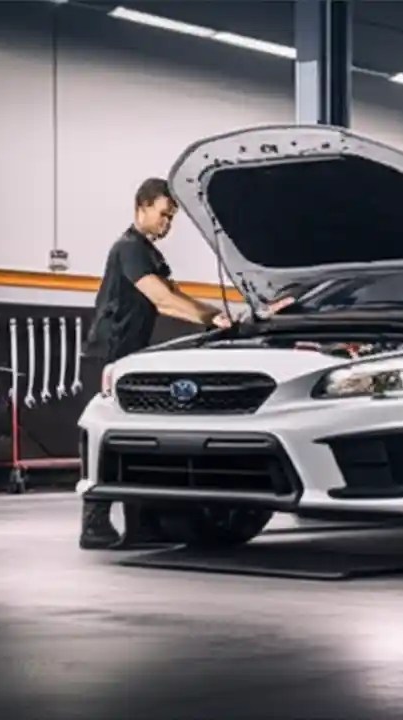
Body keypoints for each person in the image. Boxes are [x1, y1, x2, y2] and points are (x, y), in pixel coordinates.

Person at [78, 177, 230, 550]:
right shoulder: (128, 247)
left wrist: (219, 316)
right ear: (142, 207)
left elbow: (176, 294)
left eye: (172, 218)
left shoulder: (148, 251)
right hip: (109, 356)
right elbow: (161, 299)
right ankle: (94, 525)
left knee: (135, 441)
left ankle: (141, 525)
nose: (167, 224)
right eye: (163, 215)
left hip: (130, 356)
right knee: (107, 438)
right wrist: (211, 320)